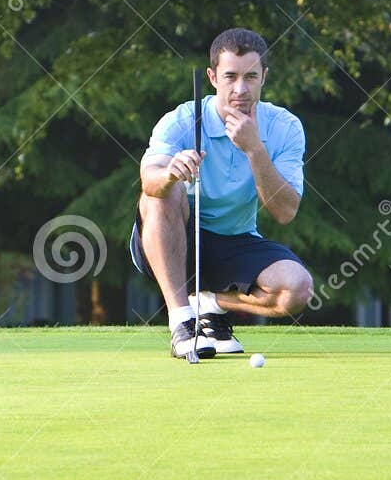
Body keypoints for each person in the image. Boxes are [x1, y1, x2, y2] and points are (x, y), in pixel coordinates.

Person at [130, 27, 314, 358]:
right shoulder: (182, 120)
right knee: (164, 193)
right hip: (176, 238)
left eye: (251, 77)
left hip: (236, 240)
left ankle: (207, 303)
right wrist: (171, 173)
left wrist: (255, 149)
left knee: (297, 289)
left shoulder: (285, 127)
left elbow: (285, 212)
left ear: (264, 77)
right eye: (230, 76)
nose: (240, 89)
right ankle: (182, 323)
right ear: (213, 77)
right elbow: (149, 182)